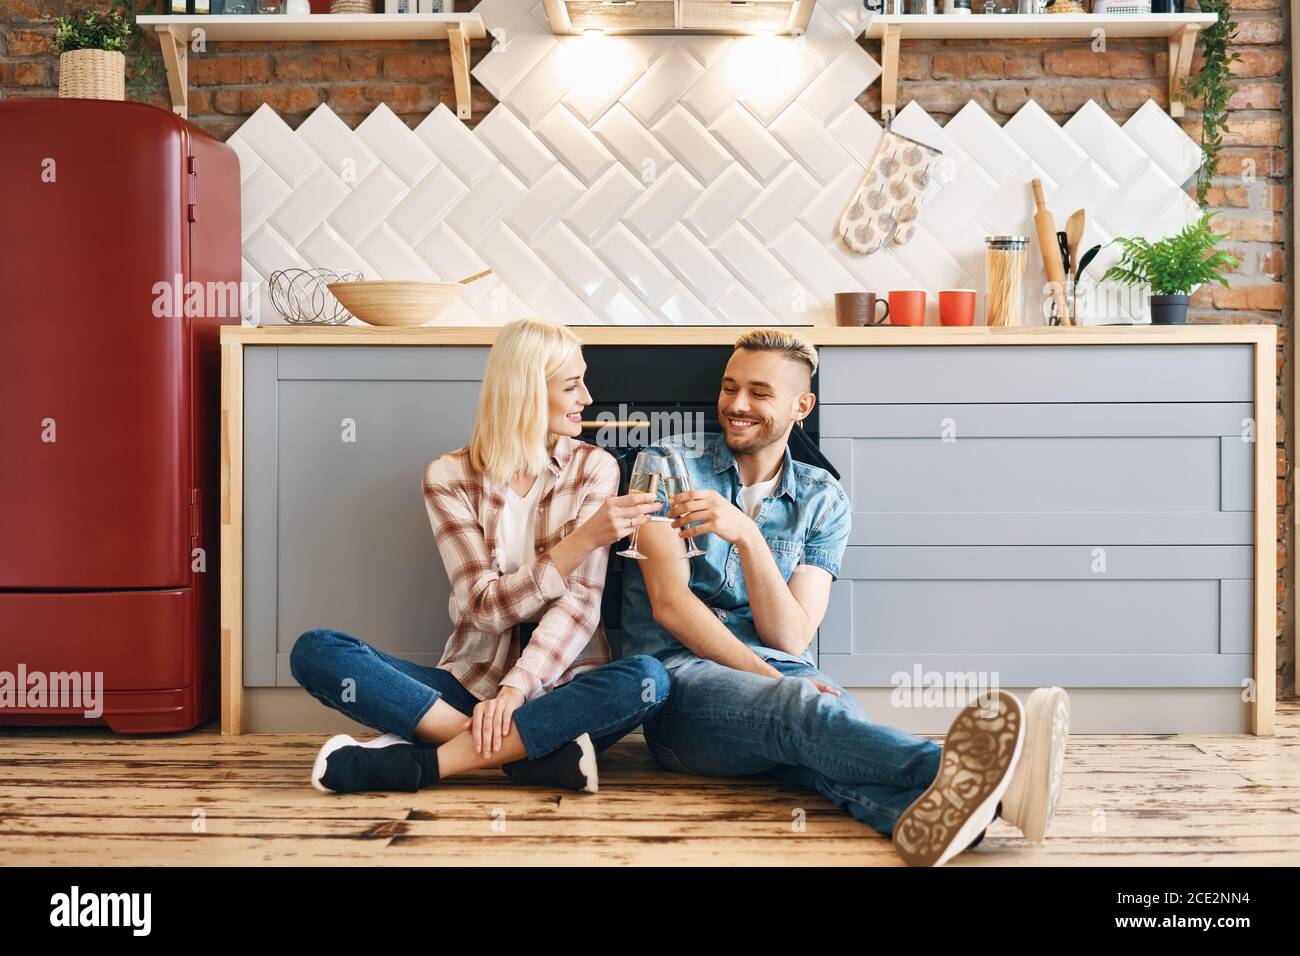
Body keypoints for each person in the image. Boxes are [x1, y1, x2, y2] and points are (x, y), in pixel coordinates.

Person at [620, 327, 1070, 866]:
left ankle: (939, 820)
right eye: (729, 387)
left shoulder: (823, 499)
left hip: (778, 675)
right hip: (679, 690)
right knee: (807, 704)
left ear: (801, 405)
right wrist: (778, 681)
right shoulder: (667, 463)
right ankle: (997, 775)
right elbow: (671, 605)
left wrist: (747, 533)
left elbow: (788, 636)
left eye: (760, 393)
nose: (736, 405)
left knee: (824, 751)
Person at [291, 318, 669, 796]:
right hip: (468, 686)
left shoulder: (595, 467)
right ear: (527, 391)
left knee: (648, 680)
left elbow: (578, 607)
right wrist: (579, 543)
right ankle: (528, 755)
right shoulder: (448, 476)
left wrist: (516, 689)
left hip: (562, 689)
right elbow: (484, 609)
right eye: (572, 386)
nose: (587, 398)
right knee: (318, 651)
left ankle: (426, 765)